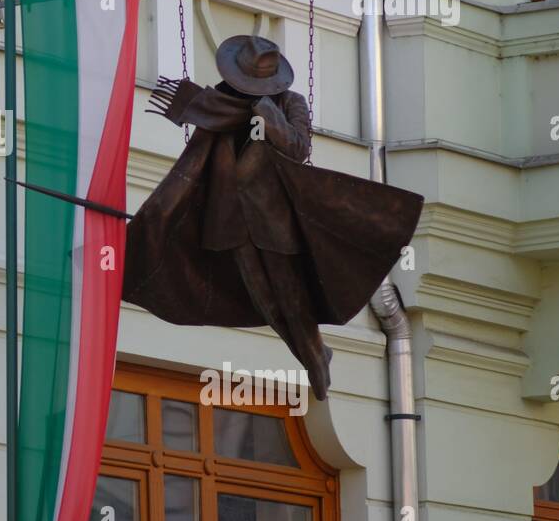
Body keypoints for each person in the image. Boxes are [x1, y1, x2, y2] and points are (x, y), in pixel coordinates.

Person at [123, 35, 423, 400]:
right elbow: (194, 162)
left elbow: (298, 148)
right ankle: (312, 353)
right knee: (263, 296)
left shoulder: (288, 103)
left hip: (274, 220)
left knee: (290, 294)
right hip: (229, 218)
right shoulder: (217, 104)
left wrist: (268, 113)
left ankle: (314, 355)